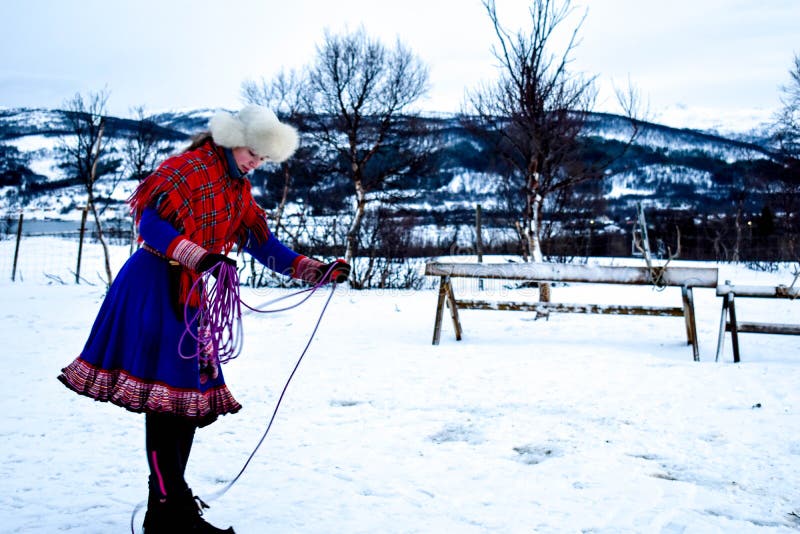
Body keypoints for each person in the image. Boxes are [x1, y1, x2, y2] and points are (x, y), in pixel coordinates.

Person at [58, 104, 351, 534]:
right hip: (152, 287)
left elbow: (263, 245)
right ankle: (169, 510)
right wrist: (197, 255)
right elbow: (149, 223)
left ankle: (168, 510)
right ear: (232, 140)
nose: (255, 162)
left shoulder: (238, 191)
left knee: (185, 406)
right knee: (166, 403)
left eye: (263, 157)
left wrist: (313, 269)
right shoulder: (188, 169)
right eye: (252, 152)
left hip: (189, 296)